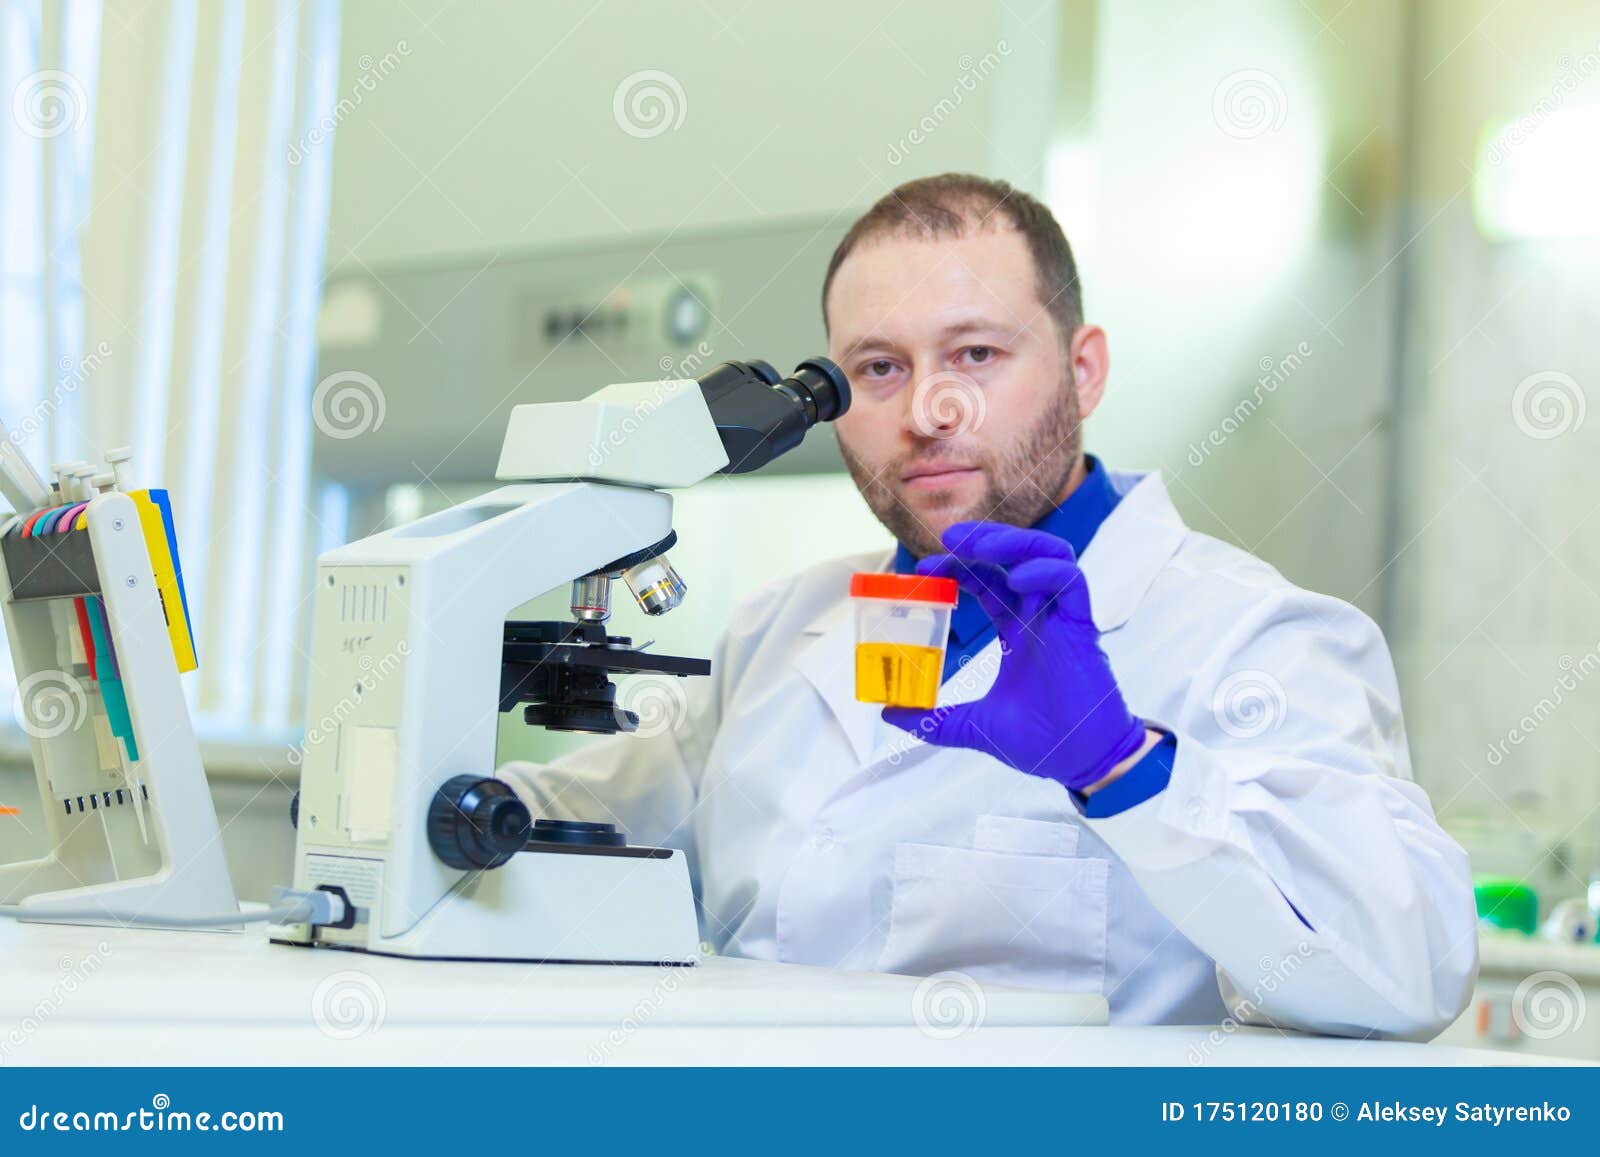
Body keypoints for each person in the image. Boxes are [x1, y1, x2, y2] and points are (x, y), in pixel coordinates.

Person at [502, 172, 1477, 1038]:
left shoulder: (1258, 637)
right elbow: (567, 820)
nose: (928, 412)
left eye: (974, 353)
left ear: (1083, 370)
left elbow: (1407, 974)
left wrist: (1122, 768)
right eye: (878, 368)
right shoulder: (776, 628)